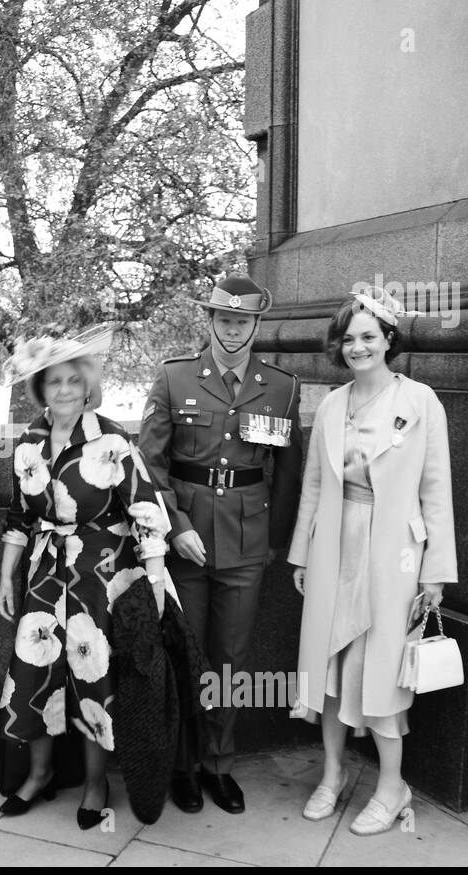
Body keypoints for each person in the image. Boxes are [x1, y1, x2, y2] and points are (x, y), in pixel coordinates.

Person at [289, 287, 456, 835]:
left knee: (381, 670)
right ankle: (332, 774)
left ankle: (392, 786)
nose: (357, 346)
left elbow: (437, 489)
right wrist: (301, 554)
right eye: (349, 338)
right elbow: (313, 485)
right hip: (335, 546)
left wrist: (436, 570)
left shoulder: (421, 401)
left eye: (369, 336)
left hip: (394, 555)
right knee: (332, 664)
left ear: (389, 340)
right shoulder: (333, 404)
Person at [138, 273, 303, 815]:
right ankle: (183, 766)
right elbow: (150, 465)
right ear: (209, 321)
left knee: (230, 661)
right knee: (186, 654)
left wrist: (274, 541)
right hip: (186, 538)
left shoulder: (281, 387)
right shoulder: (174, 378)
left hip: (247, 541)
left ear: (257, 325)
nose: (233, 330)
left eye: (244, 321)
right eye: (224, 319)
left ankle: (218, 765)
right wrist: (175, 526)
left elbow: (287, 471)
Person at [0, 325, 171, 830]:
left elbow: (146, 512)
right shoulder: (28, 441)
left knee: (94, 676)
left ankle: (96, 784)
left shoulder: (112, 438)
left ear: (89, 385)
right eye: (55, 382)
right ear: (40, 388)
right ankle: (40, 773)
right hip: (44, 574)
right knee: (36, 670)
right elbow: (17, 517)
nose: (66, 389)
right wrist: (8, 579)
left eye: (75, 380)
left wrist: (155, 586)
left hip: (99, 573)